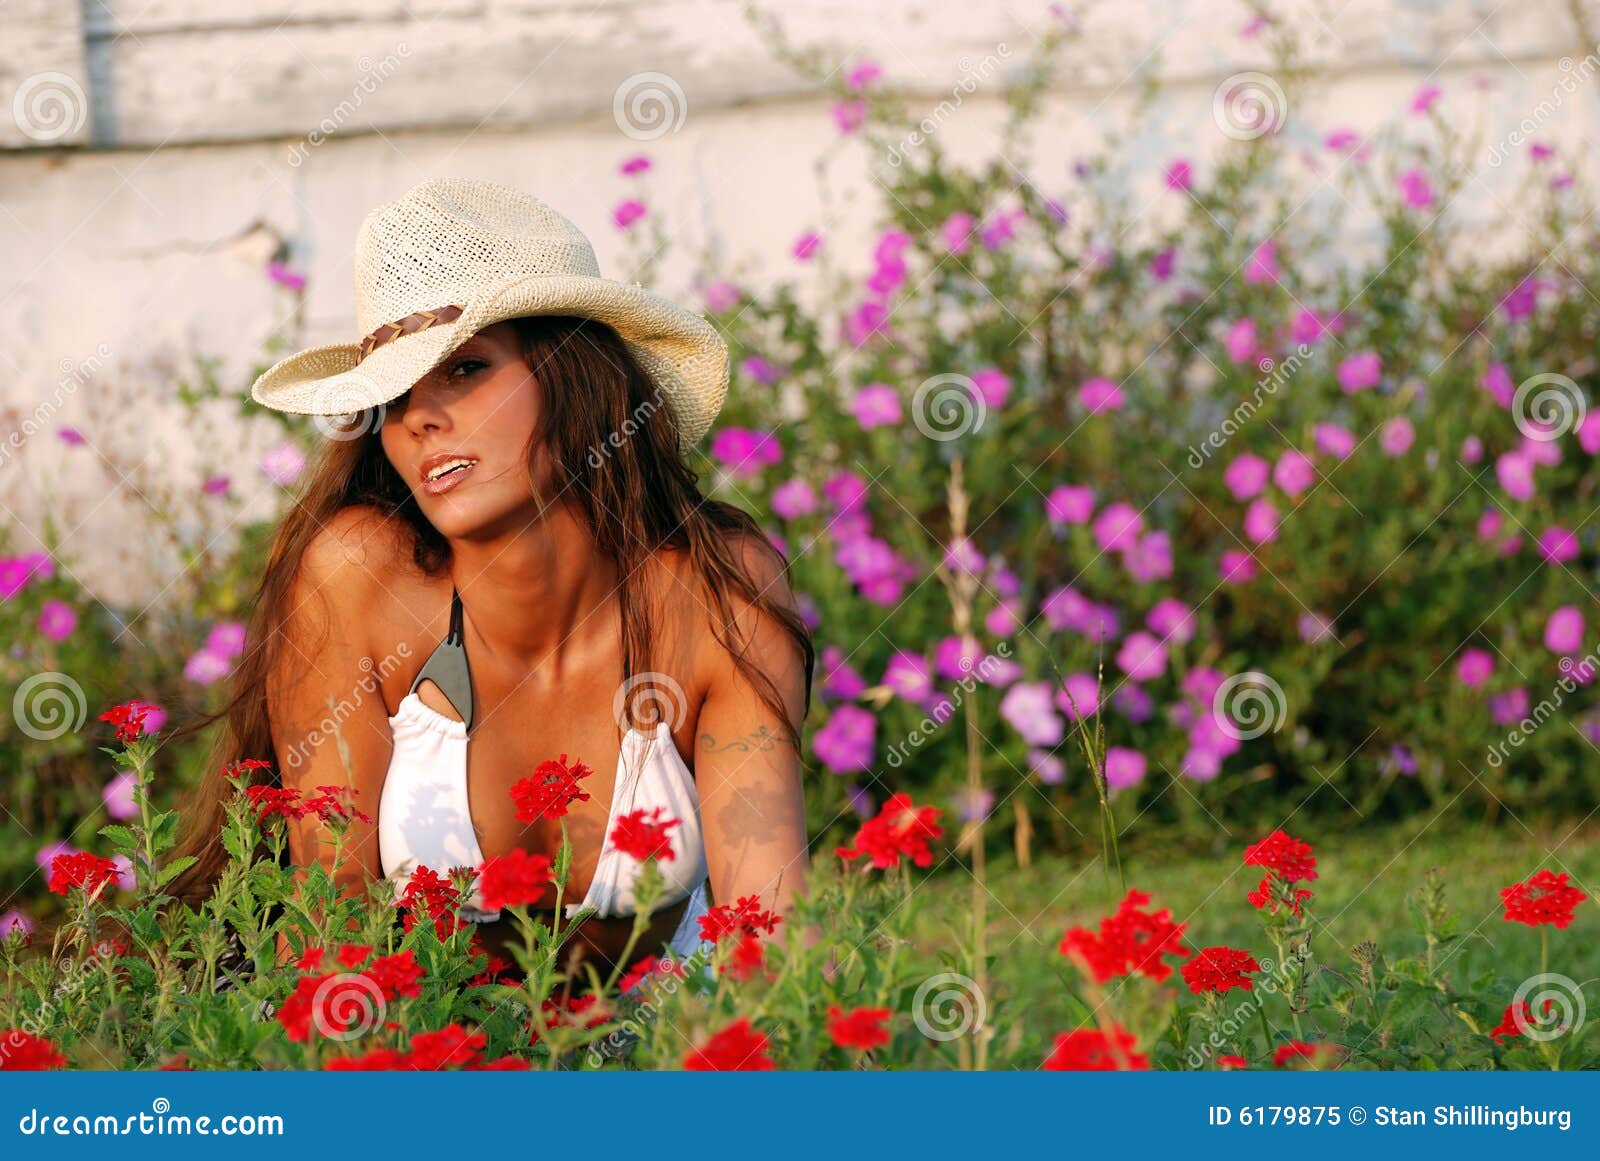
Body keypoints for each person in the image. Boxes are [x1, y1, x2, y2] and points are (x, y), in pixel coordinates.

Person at [165, 177, 815, 988]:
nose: (419, 418)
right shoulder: (363, 576)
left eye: (465, 368)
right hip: (414, 1054)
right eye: (394, 395)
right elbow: (329, 924)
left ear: (574, 373)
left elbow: (773, 938)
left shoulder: (719, 591)